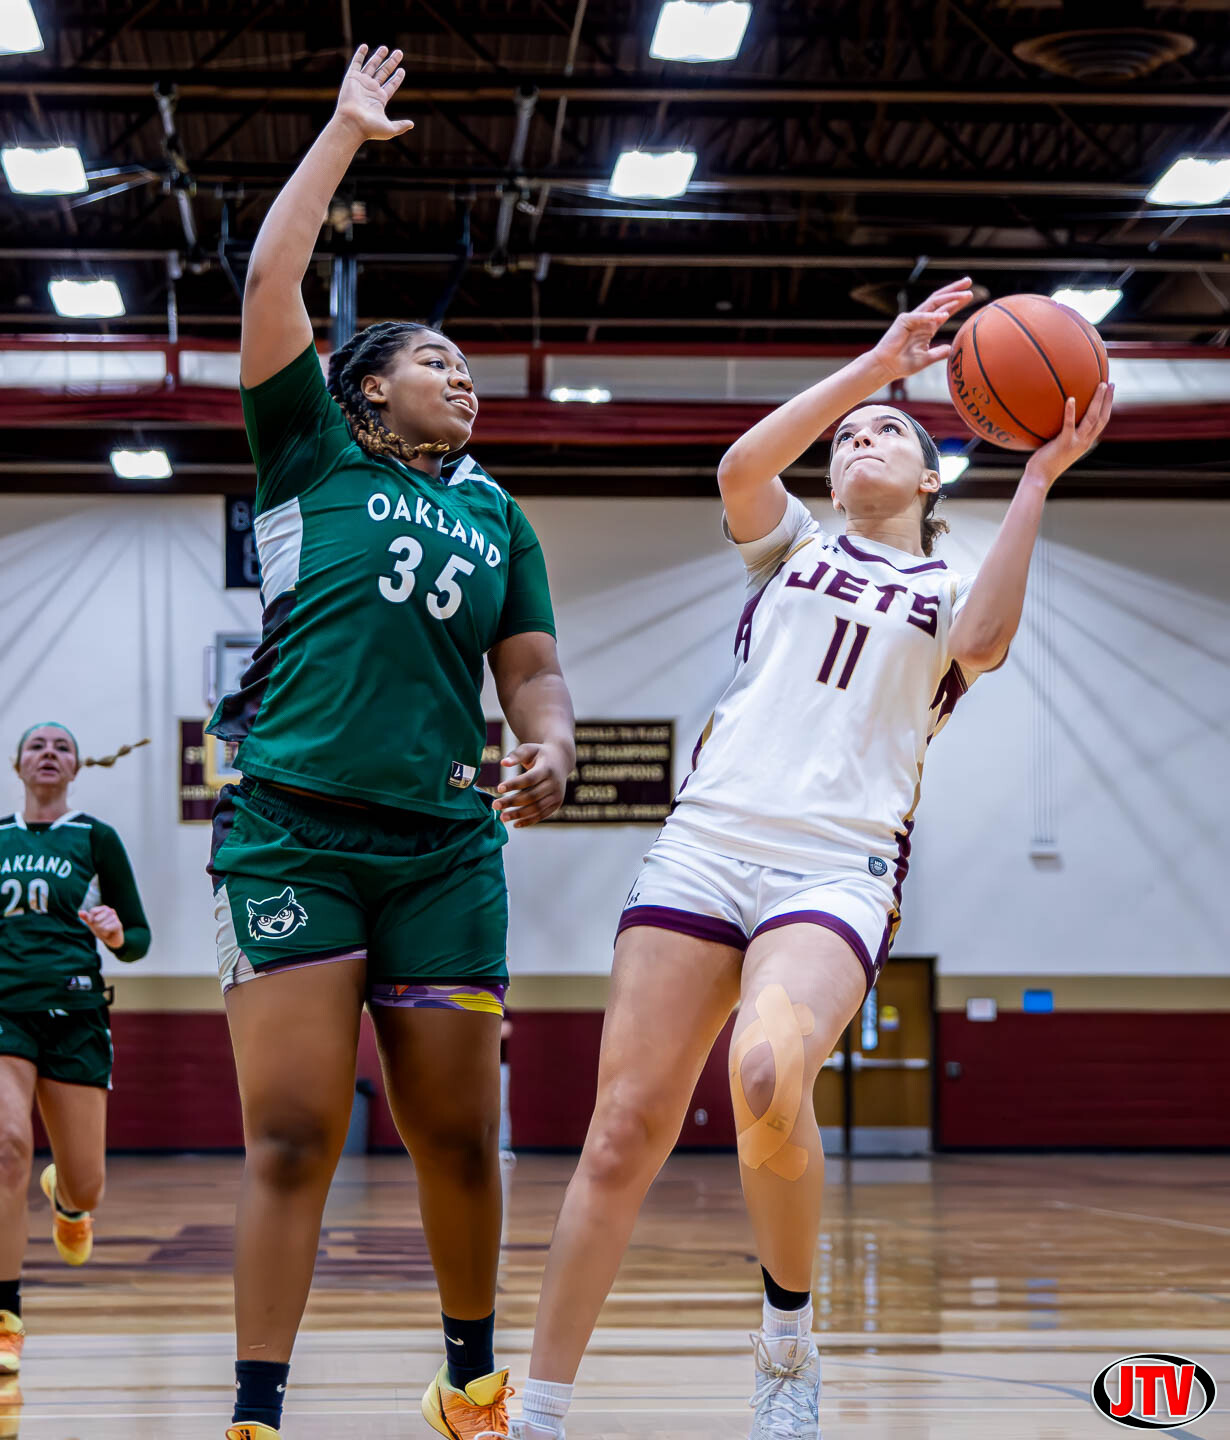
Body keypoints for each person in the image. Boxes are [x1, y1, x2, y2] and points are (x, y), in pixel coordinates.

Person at [502, 280, 1114, 1440]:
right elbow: (742, 466)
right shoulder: (784, 550)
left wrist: (1035, 476)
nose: (859, 441)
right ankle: (540, 1409)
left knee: (769, 1074)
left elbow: (983, 642)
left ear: (934, 478)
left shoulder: (945, 588)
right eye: (845, 440)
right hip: (705, 847)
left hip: (835, 868)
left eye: (886, 431)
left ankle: (786, 1336)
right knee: (623, 1129)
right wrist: (876, 368)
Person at [208, 43, 575, 1440]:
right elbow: (267, 285)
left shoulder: (497, 517)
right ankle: (258, 1409)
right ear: (365, 390)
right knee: (295, 1134)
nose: (463, 378)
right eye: (436, 359)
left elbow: (532, 668)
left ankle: (470, 1381)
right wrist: (345, 137)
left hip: (442, 846)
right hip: (295, 824)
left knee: (456, 1135)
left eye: (470, 364)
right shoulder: (306, 448)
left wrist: (547, 748)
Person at [0, 723, 151, 1381]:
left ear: (76, 766)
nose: (50, 753)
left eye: (62, 746)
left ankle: (69, 1200)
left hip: (77, 1014)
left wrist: (118, 934)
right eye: (38, 745)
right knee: (6, 1149)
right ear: (18, 764)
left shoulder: (95, 838)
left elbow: (138, 936)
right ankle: (6, 1322)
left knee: (87, 1178)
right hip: (6, 1012)